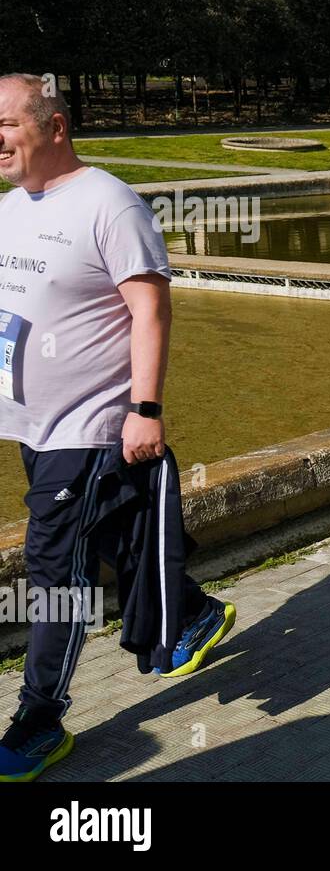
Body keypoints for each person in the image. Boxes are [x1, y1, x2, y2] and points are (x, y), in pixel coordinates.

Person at [0, 73, 236, 782]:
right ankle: (190, 613)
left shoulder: (110, 204)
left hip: (88, 424)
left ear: (55, 126)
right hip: (31, 424)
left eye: (6, 124)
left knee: (53, 569)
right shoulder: (13, 205)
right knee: (107, 534)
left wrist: (145, 409)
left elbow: (151, 311)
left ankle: (41, 715)